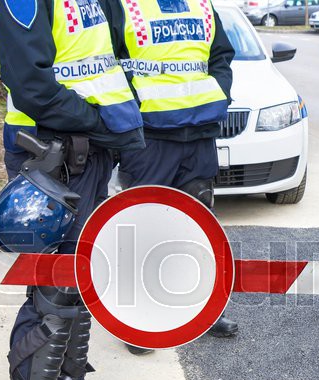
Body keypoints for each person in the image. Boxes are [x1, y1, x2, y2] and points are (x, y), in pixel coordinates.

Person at [0, 0, 146, 380]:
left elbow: (108, 55)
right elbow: (29, 82)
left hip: (88, 148)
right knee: (52, 288)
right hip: (55, 150)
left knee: (78, 279)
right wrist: (98, 121)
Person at [101, 0, 238, 355]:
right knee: (143, 229)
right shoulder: (121, 4)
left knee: (198, 228)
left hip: (199, 134)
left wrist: (218, 94)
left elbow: (221, 56)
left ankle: (201, 310)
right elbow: (106, 63)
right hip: (149, 138)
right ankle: (140, 323)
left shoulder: (201, 4)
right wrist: (129, 110)